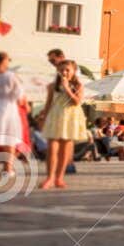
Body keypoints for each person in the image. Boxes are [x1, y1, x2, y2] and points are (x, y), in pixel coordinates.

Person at [38, 59, 87, 189]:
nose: (64, 72)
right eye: (61, 70)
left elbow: (76, 102)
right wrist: (43, 117)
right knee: (52, 149)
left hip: (70, 118)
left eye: (67, 70)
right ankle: (49, 178)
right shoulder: (52, 86)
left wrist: (66, 87)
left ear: (74, 71)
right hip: (55, 117)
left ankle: (59, 178)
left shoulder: (78, 85)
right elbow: (48, 104)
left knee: (65, 151)